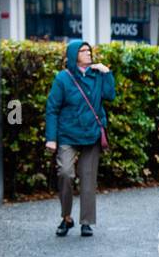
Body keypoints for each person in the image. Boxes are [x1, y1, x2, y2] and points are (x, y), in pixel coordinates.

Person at [45, 39, 115, 237]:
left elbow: (110, 96)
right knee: (65, 173)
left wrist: (107, 72)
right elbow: (52, 109)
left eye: (89, 50)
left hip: (91, 134)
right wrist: (51, 138)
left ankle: (86, 222)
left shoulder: (97, 75)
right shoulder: (63, 79)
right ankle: (66, 217)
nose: (88, 53)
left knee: (88, 178)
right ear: (74, 55)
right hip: (68, 134)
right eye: (83, 51)